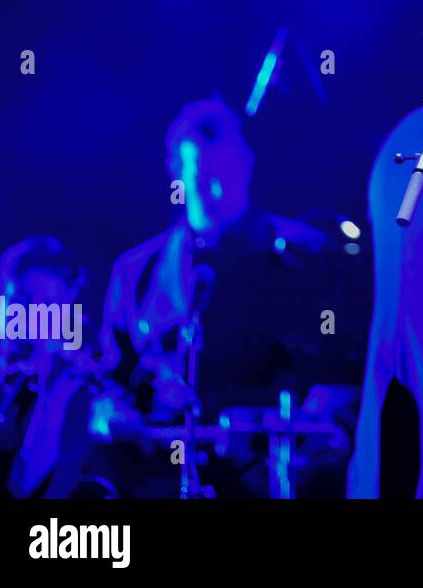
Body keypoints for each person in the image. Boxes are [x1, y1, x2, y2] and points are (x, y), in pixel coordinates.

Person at [96, 97, 362, 497]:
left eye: (227, 173)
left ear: (249, 166)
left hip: (279, 478)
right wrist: (109, 412)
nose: (217, 190)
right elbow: (110, 380)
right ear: (177, 176)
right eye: (204, 176)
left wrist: (328, 416)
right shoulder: (136, 272)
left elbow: (348, 368)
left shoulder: (309, 257)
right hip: (163, 478)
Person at [0, 237, 94, 498]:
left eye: (48, 306)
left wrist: (53, 395)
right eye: (22, 298)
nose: (29, 318)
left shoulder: (73, 392)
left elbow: (24, 485)